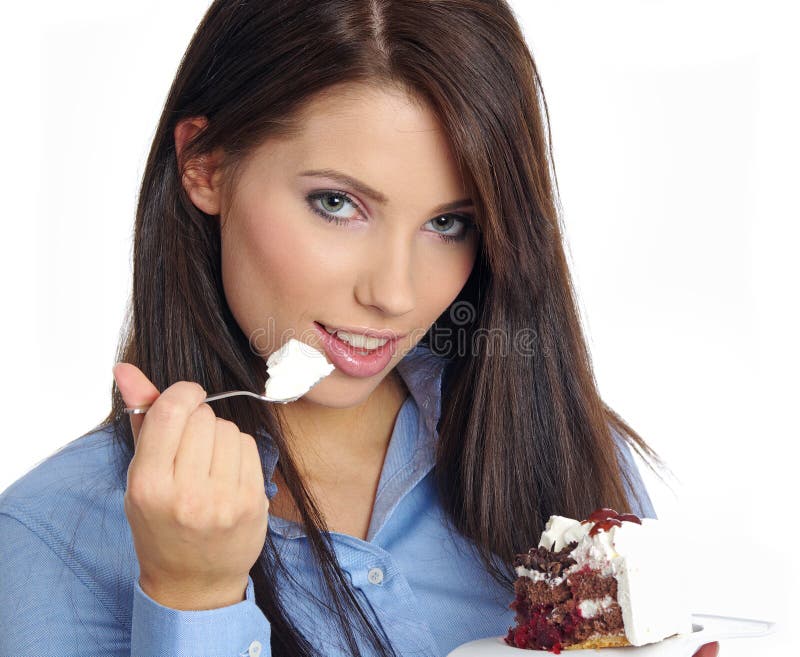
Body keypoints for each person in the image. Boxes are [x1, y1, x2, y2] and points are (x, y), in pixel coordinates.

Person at [0, 1, 719, 656]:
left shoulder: (568, 454)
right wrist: (194, 599)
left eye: (449, 222)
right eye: (337, 204)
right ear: (205, 164)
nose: (395, 295)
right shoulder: (51, 538)